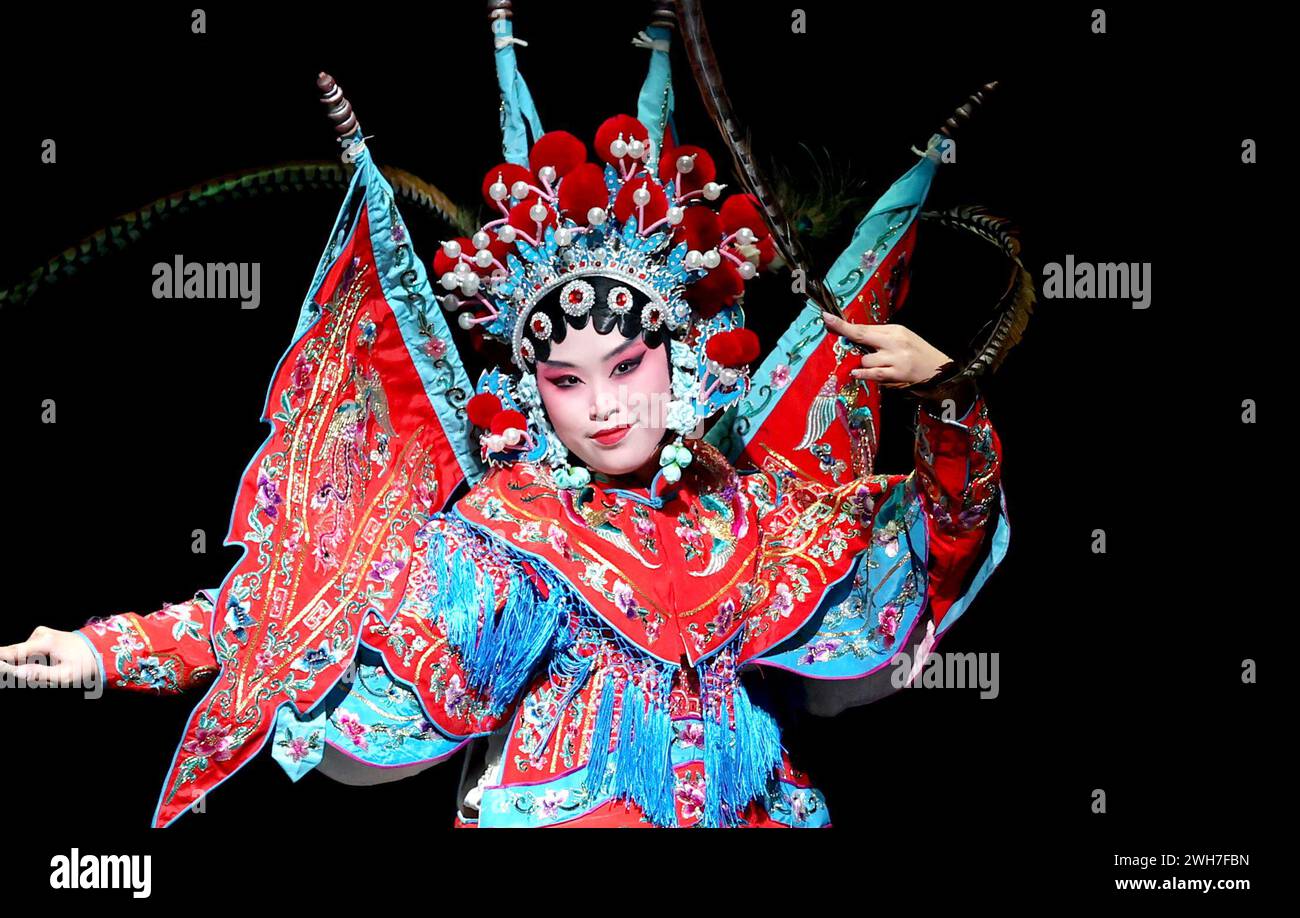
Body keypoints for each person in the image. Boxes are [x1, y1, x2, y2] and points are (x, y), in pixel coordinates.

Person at [0, 14, 1011, 828]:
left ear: (680, 355)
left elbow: (935, 536)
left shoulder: (756, 518)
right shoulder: (508, 534)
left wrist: (944, 389)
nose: (606, 404)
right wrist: (107, 649)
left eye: (624, 363)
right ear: (532, 390)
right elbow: (303, 606)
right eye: (569, 381)